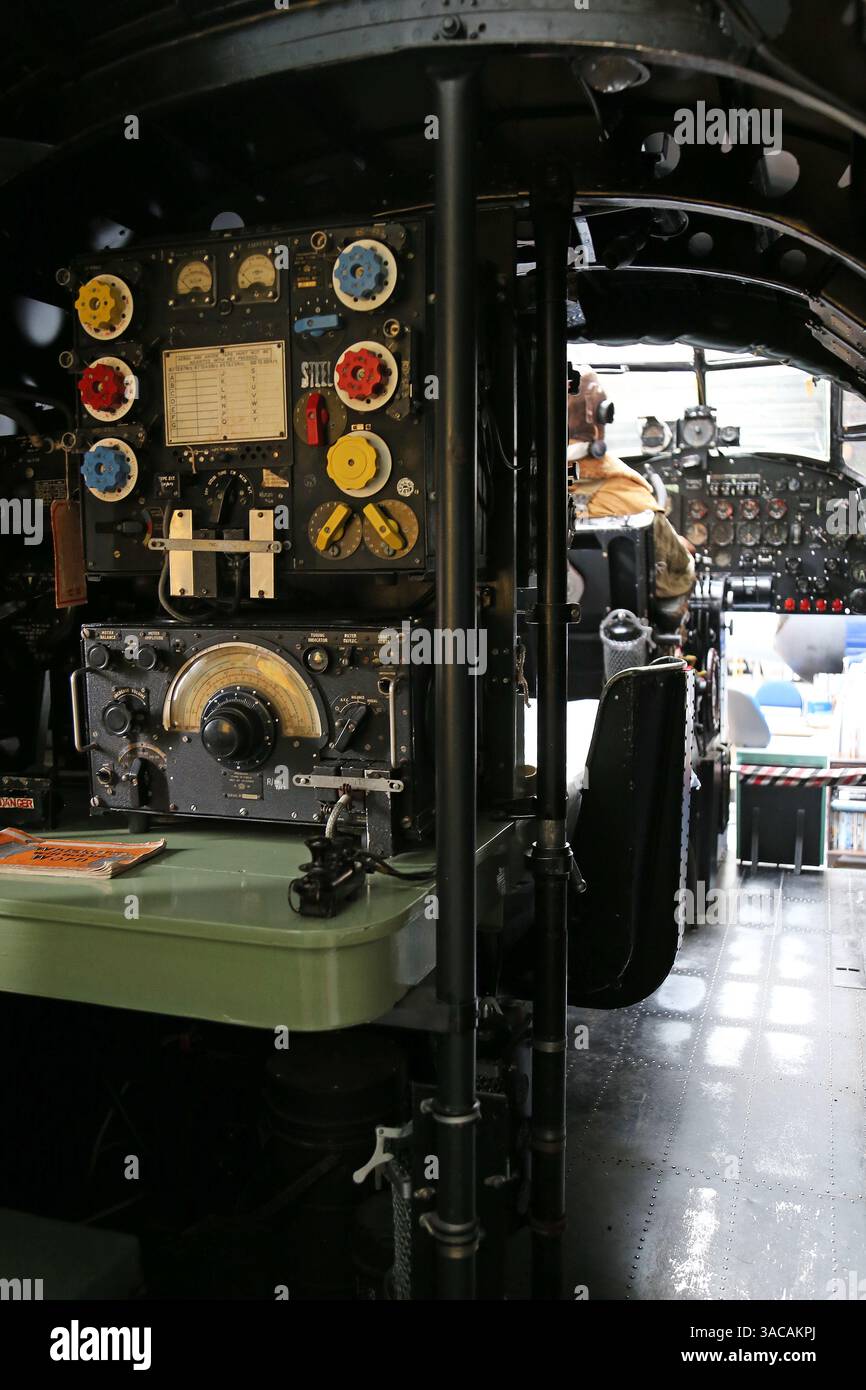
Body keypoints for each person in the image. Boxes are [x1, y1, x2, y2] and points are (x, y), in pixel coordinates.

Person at [567, 365, 695, 606]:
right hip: (622, 631)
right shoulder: (631, 496)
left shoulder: (515, 491)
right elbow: (672, 575)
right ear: (603, 414)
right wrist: (686, 553)